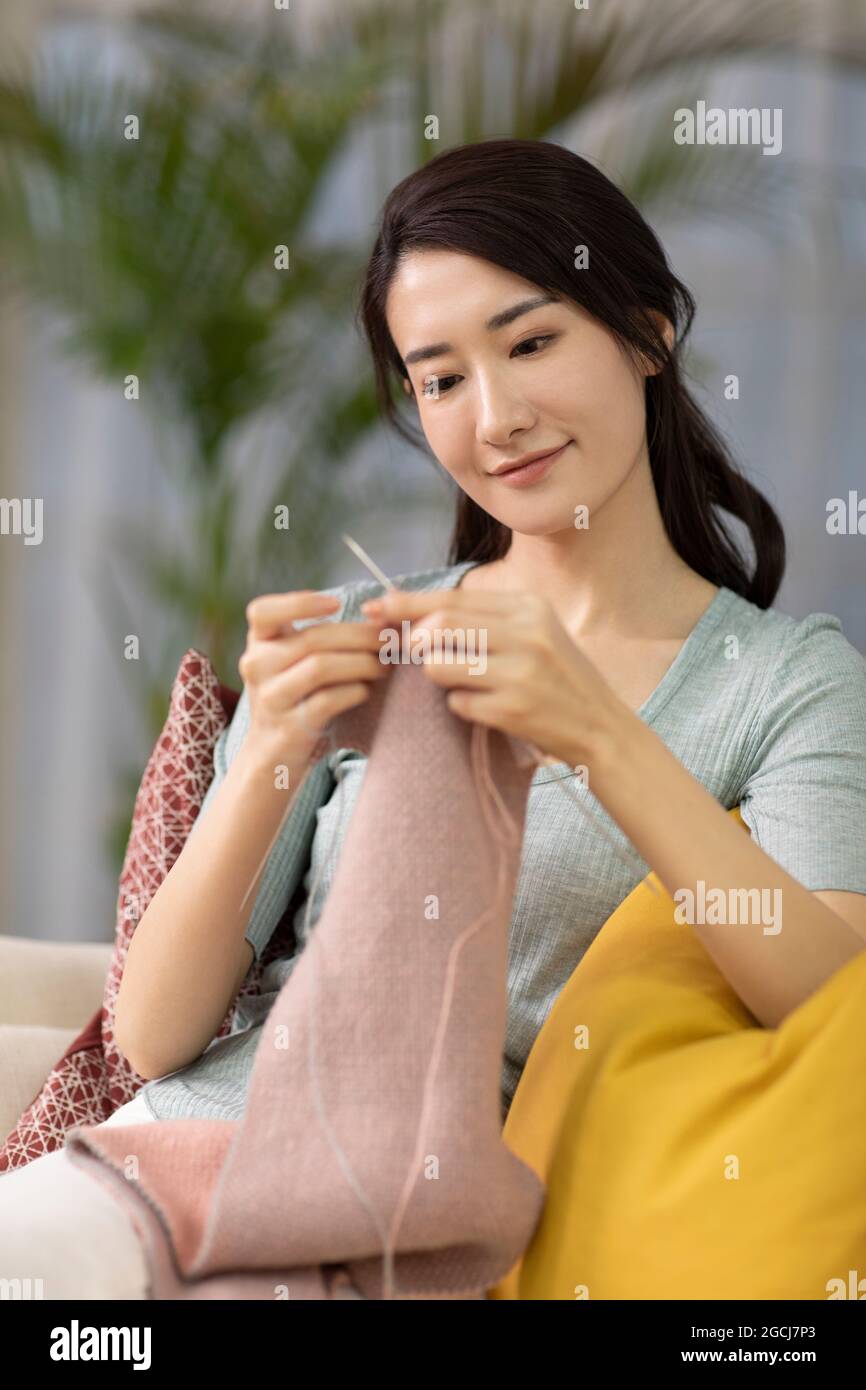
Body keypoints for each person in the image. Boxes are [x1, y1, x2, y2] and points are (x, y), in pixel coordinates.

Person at [3, 137, 865, 1299]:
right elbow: (154, 1035)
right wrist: (268, 745)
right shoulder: (371, 635)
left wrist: (600, 739)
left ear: (648, 331)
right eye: (442, 377)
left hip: (424, 1231)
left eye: (530, 341)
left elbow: (826, 996)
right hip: (179, 1161)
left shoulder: (786, 683)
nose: (496, 415)